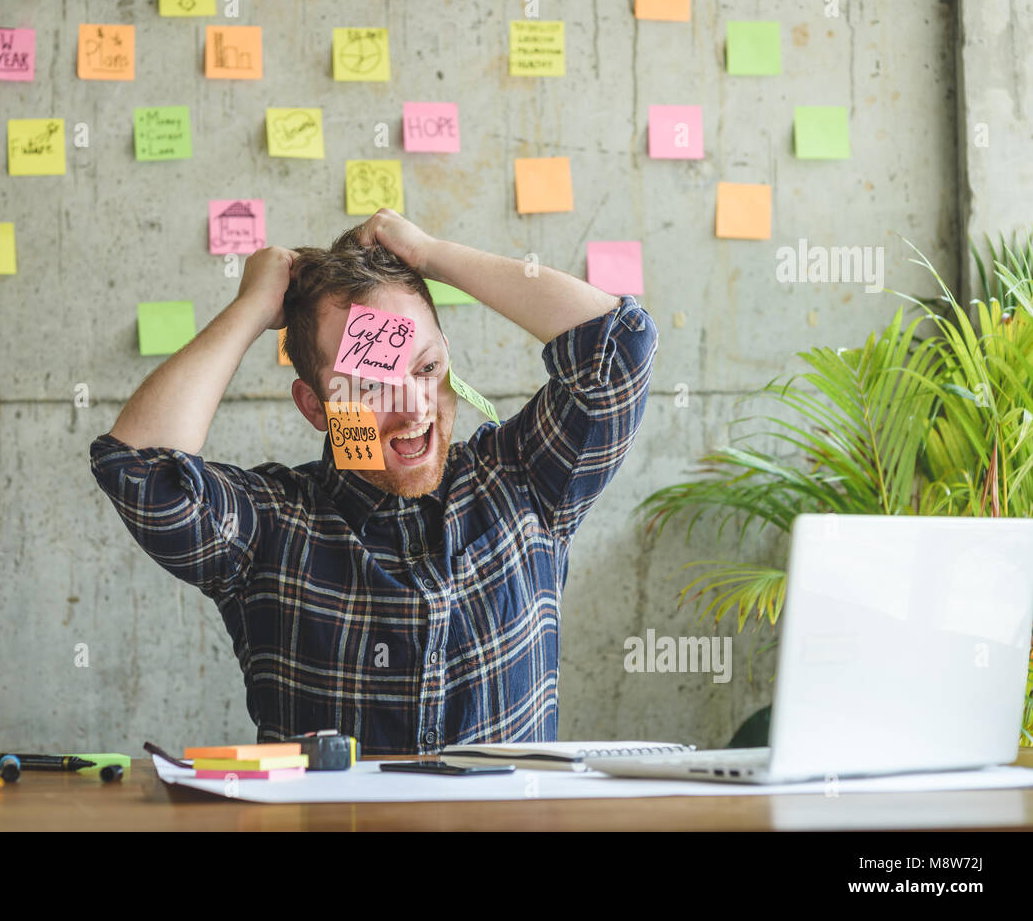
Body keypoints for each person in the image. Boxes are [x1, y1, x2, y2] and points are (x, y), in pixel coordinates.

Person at [89, 208, 658, 754]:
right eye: (371, 387)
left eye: (427, 369)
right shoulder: (271, 529)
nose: (414, 412)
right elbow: (140, 470)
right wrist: (253, 307)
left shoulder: (524, 481)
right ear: (315, 406)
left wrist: (431, 255)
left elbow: (620, 343)